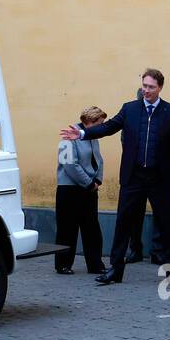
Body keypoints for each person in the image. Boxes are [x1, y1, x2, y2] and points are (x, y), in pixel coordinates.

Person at [60, 68, 170, 285]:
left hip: (159, 177)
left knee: (166, 223)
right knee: (123, 222)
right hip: (134, 177)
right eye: (144, 85)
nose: (146, 90)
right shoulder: (130, 109)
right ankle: (115, 270)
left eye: (151, 87)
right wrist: (83, 134)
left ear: (159, 88)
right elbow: (109, 127)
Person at [54, 107, 108, 275]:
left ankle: (95, 264)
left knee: (92, 228)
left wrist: (97, 180)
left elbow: (98, 160)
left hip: (89, 188)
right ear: (89, 122)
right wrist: (89, 182)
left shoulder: (92, 136)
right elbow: (70, 165)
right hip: (69, 189)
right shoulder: (68, 137)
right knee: (67, 229)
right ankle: (63, 264)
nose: (101, 128)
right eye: (99, 124)